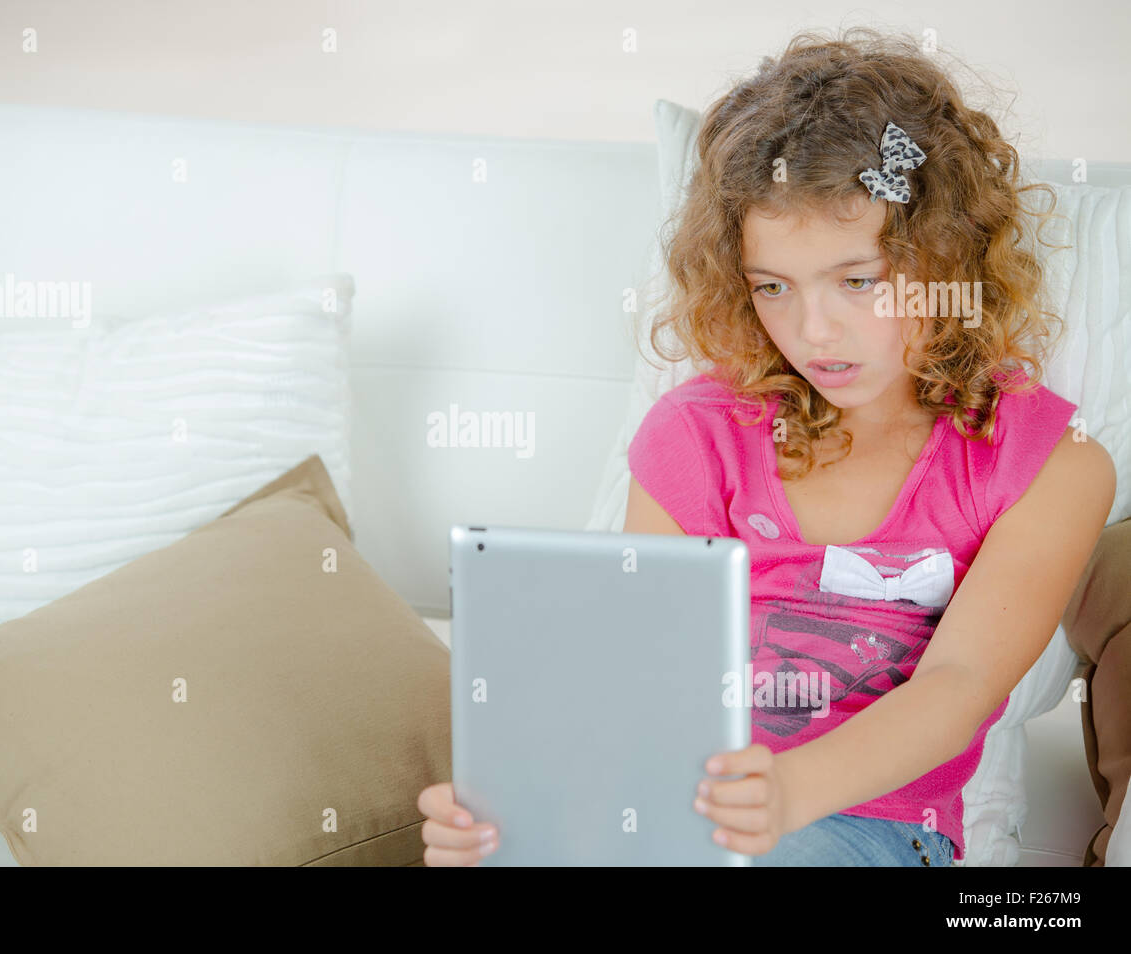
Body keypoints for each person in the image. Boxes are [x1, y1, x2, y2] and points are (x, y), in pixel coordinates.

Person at [417, 26, 1116, 866]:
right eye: (774, 288)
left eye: (858, 281)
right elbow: (636, 682)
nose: (814, 331)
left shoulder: (1048, 461)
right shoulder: (697, 433)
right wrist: (513, 811)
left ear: (947, 256)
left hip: (871, 830)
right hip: (668, 822)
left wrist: (787, 796)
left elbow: (959, 689)